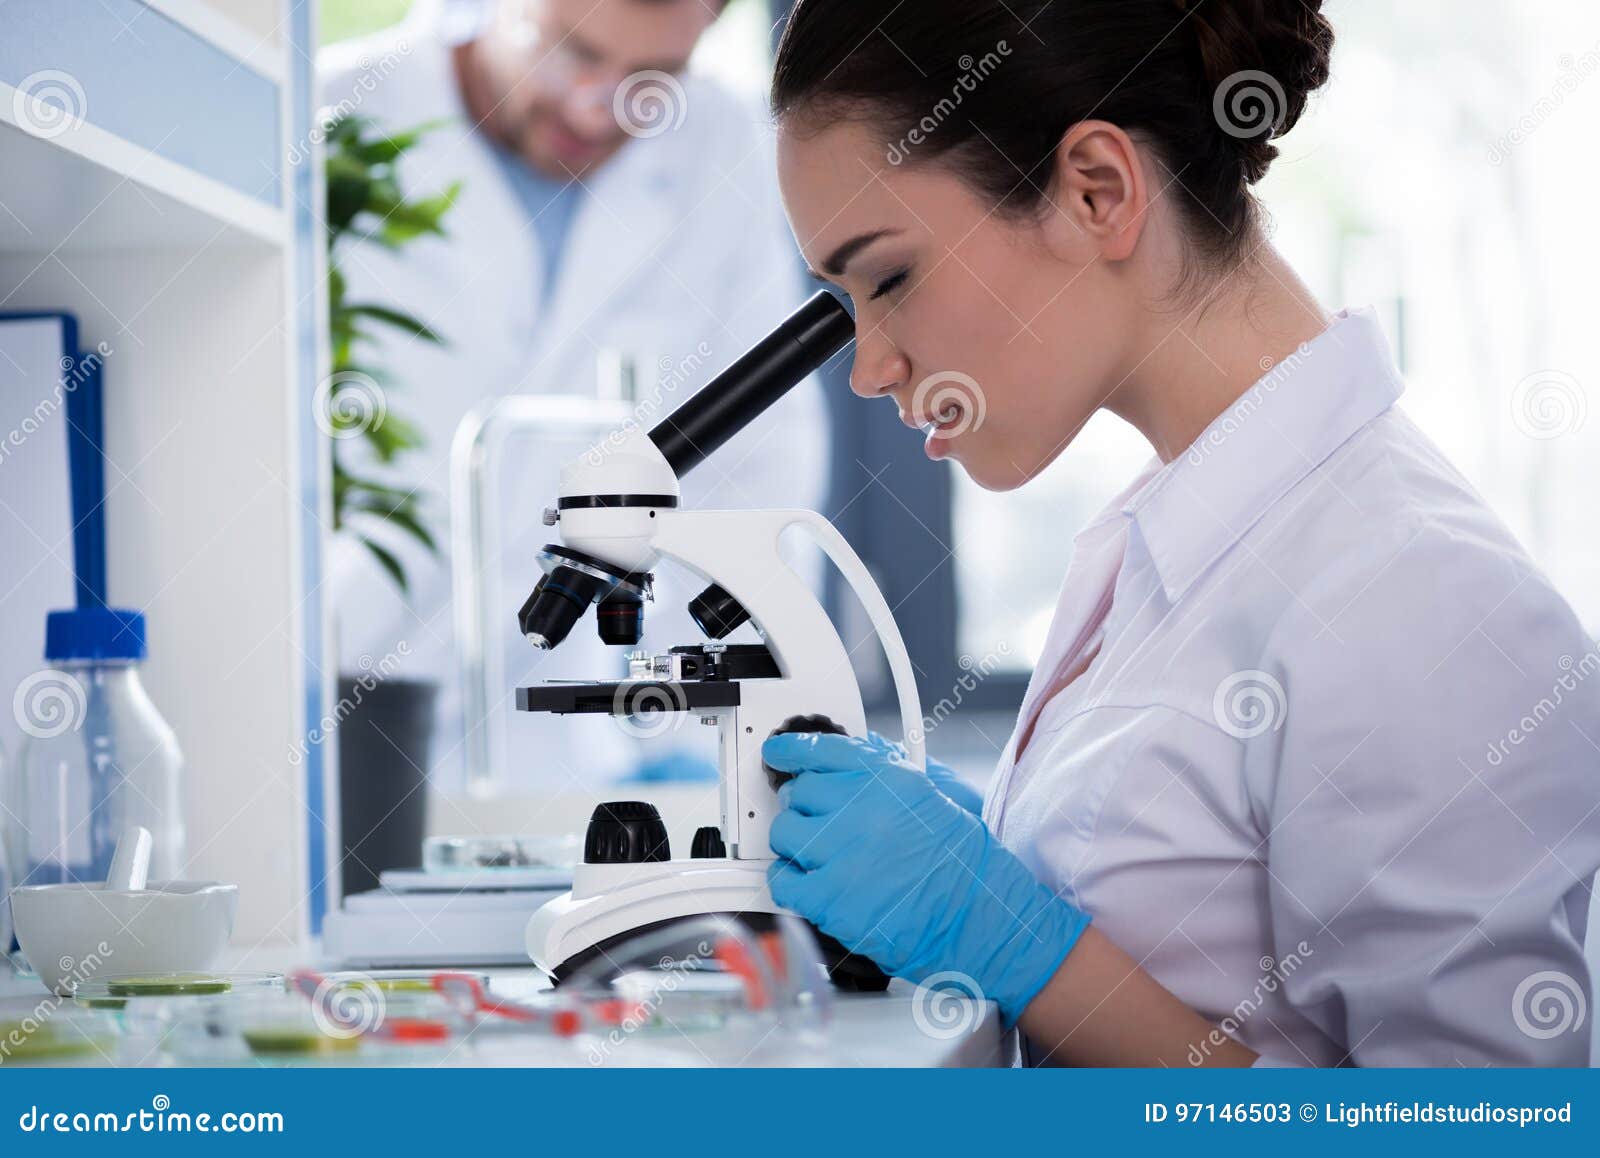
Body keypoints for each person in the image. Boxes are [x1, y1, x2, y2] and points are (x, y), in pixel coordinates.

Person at [761, 0, 1600, 1066]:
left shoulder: (1418, 596)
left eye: (888, 279)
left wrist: (1025, 947)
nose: (870, 366)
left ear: (1095, 191)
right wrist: (999, 874)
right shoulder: (1166, 537)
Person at [319, 0, 829, 791]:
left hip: (579, 754)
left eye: (652, 76)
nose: (600, 107)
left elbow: (754, 465)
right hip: (339, 709)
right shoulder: (329, 117)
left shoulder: (723, 151)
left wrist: (714, 731)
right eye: (574, 52)